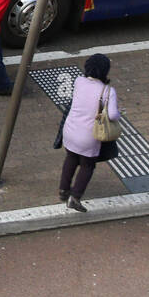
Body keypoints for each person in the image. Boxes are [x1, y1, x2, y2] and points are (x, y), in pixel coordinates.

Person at [60, 54, 121, 213]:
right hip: (88, 136)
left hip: (70, 130)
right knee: (87, 165)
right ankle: (75, 197)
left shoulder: (79, 81)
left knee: (71, 158)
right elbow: (113, 115)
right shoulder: (108, 91)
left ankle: (63, 190)